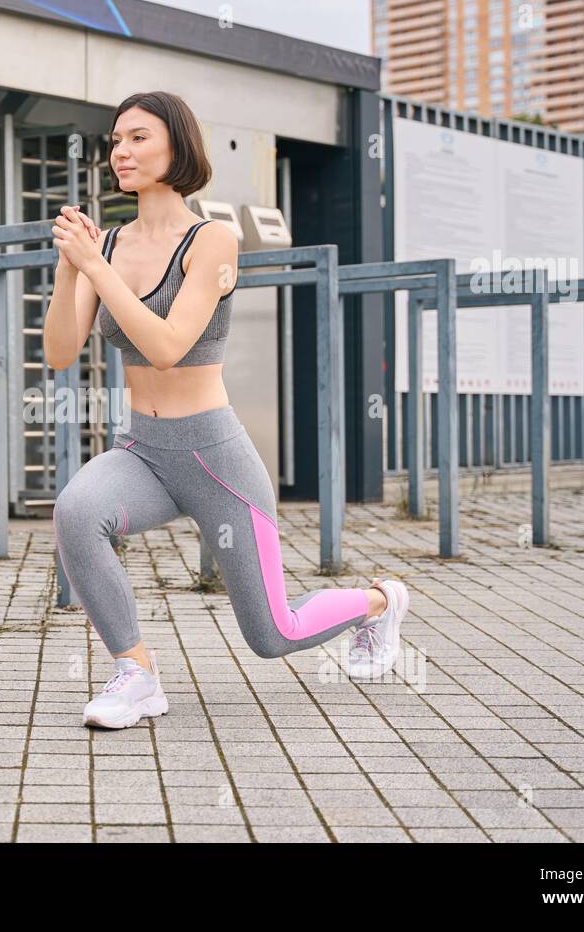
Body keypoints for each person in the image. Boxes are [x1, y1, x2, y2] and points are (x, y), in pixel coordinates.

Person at [42, 91, 410, 730]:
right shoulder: (114, 243)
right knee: (76, 510)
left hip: (213, 457)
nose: (119, 152)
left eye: (137, 138)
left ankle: (380, 602)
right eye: (115, 140)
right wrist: (68, 271)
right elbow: (58, 353)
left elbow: (165, 348)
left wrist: (94, 267)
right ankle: (137, 675)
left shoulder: (212, 241)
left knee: (273, 634)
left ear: (177, 147)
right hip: (144, 450)